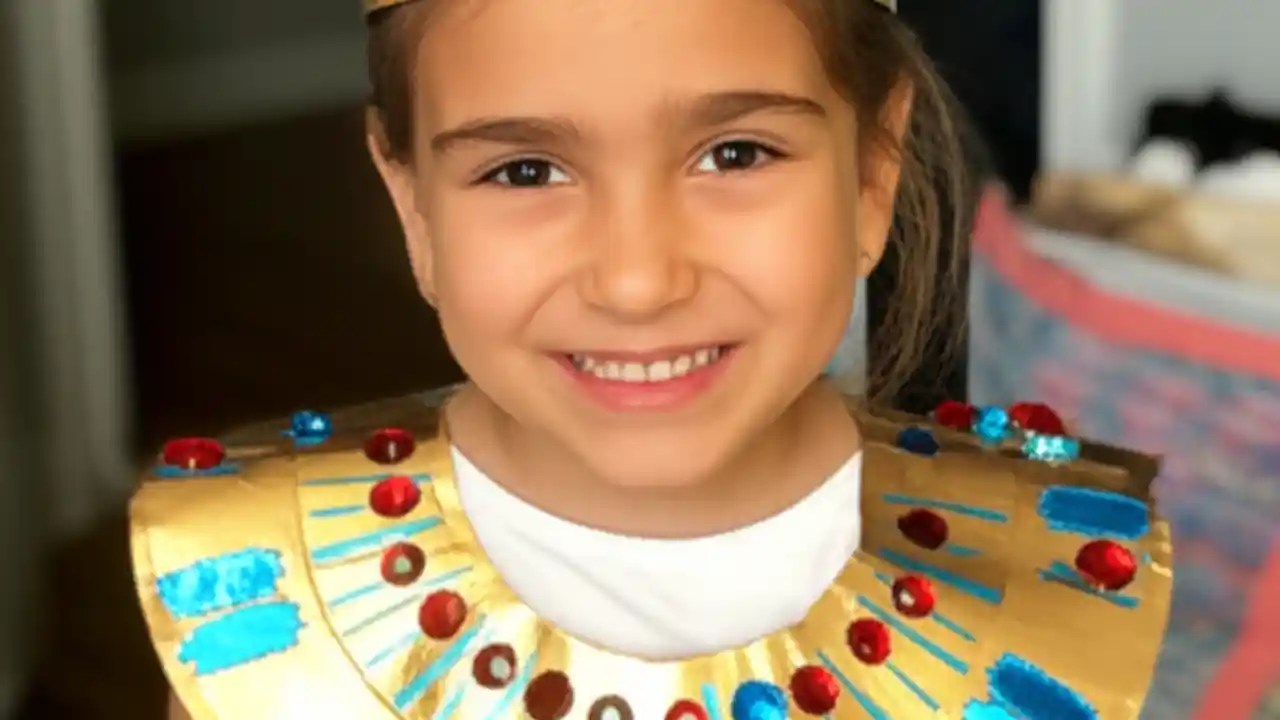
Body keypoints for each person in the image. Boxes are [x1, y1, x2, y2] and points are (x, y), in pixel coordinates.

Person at [136, 0, 1172, 717]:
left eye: (735, 154)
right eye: (525, 169)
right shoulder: (268, 600)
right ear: (411, 203)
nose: (636, 281)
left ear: (871, 171)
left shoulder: (1046, 574)